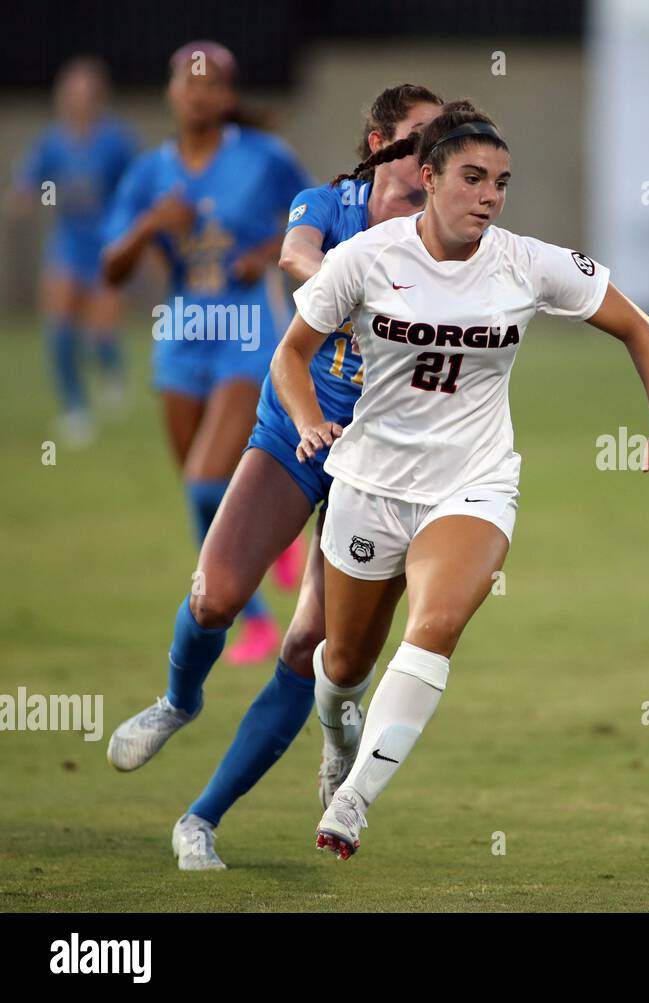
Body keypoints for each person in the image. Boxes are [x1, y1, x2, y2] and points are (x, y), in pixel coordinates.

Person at [271, 100, 649, 860]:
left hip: (471, 483)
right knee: (341, 666)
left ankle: (353, 802)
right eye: (472, 178)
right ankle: (339, 740)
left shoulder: (524, 261)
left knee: (437, 623)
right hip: (371, 482)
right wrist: (310, 418)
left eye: (502, 182)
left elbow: (639, 325)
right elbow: (290, 353)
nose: (489, 196)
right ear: (431, 176)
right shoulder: (367, 258)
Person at [105, 84, 443, 870]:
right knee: (216, 594)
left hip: (382, 461)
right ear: (378, 141)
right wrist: (342, 281)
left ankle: (201, 818)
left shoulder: (447, 237)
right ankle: (177, 700)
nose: (433, 151)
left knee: (312, 648)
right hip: (295, 430)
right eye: (419, 134)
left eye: (443, 137)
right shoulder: (328, 204)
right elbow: (295, 257)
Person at [102, 41, 312, 664]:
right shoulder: (148, 173)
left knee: (202, 483)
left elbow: (318, 216)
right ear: (171, 92)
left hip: (248, 334)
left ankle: (249, 620)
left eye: (211, 84)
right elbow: (111, 271)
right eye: (186, 83)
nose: (198, 94)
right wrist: (148, 226)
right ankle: (267, 556)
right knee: (196, 483)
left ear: (227, 96)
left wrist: (270, 248)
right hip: (180, 334)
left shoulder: (266, 157)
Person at [9, 56, 136, 445]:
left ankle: (113, 371)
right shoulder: (52, 141)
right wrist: (23, 199)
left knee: (100, 333)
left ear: (97, 98)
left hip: (106, 248)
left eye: (84, 94)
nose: (76, 101)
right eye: (70, 93)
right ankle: (76, 409)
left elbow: (137, 189)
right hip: (67, 248)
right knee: (60, 331)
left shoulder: (116, 141)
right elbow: (29, 182)